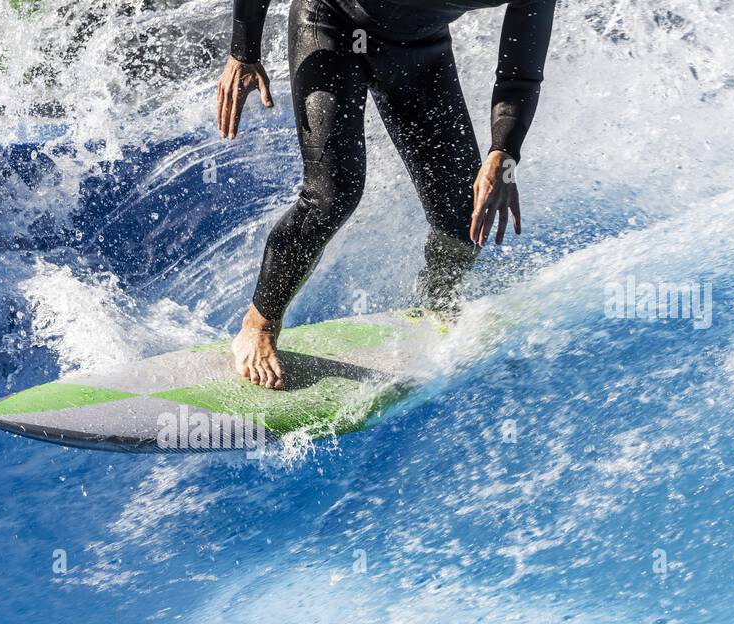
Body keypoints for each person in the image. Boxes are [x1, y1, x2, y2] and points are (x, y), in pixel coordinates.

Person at [216, 0, 556, 388]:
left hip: (418, 49)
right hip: (332, 23)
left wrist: (502, 155)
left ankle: (436, 305)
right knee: (332, 196)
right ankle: (258, 325)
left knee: (464, 217)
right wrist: (243, 52)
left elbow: (521, 74)